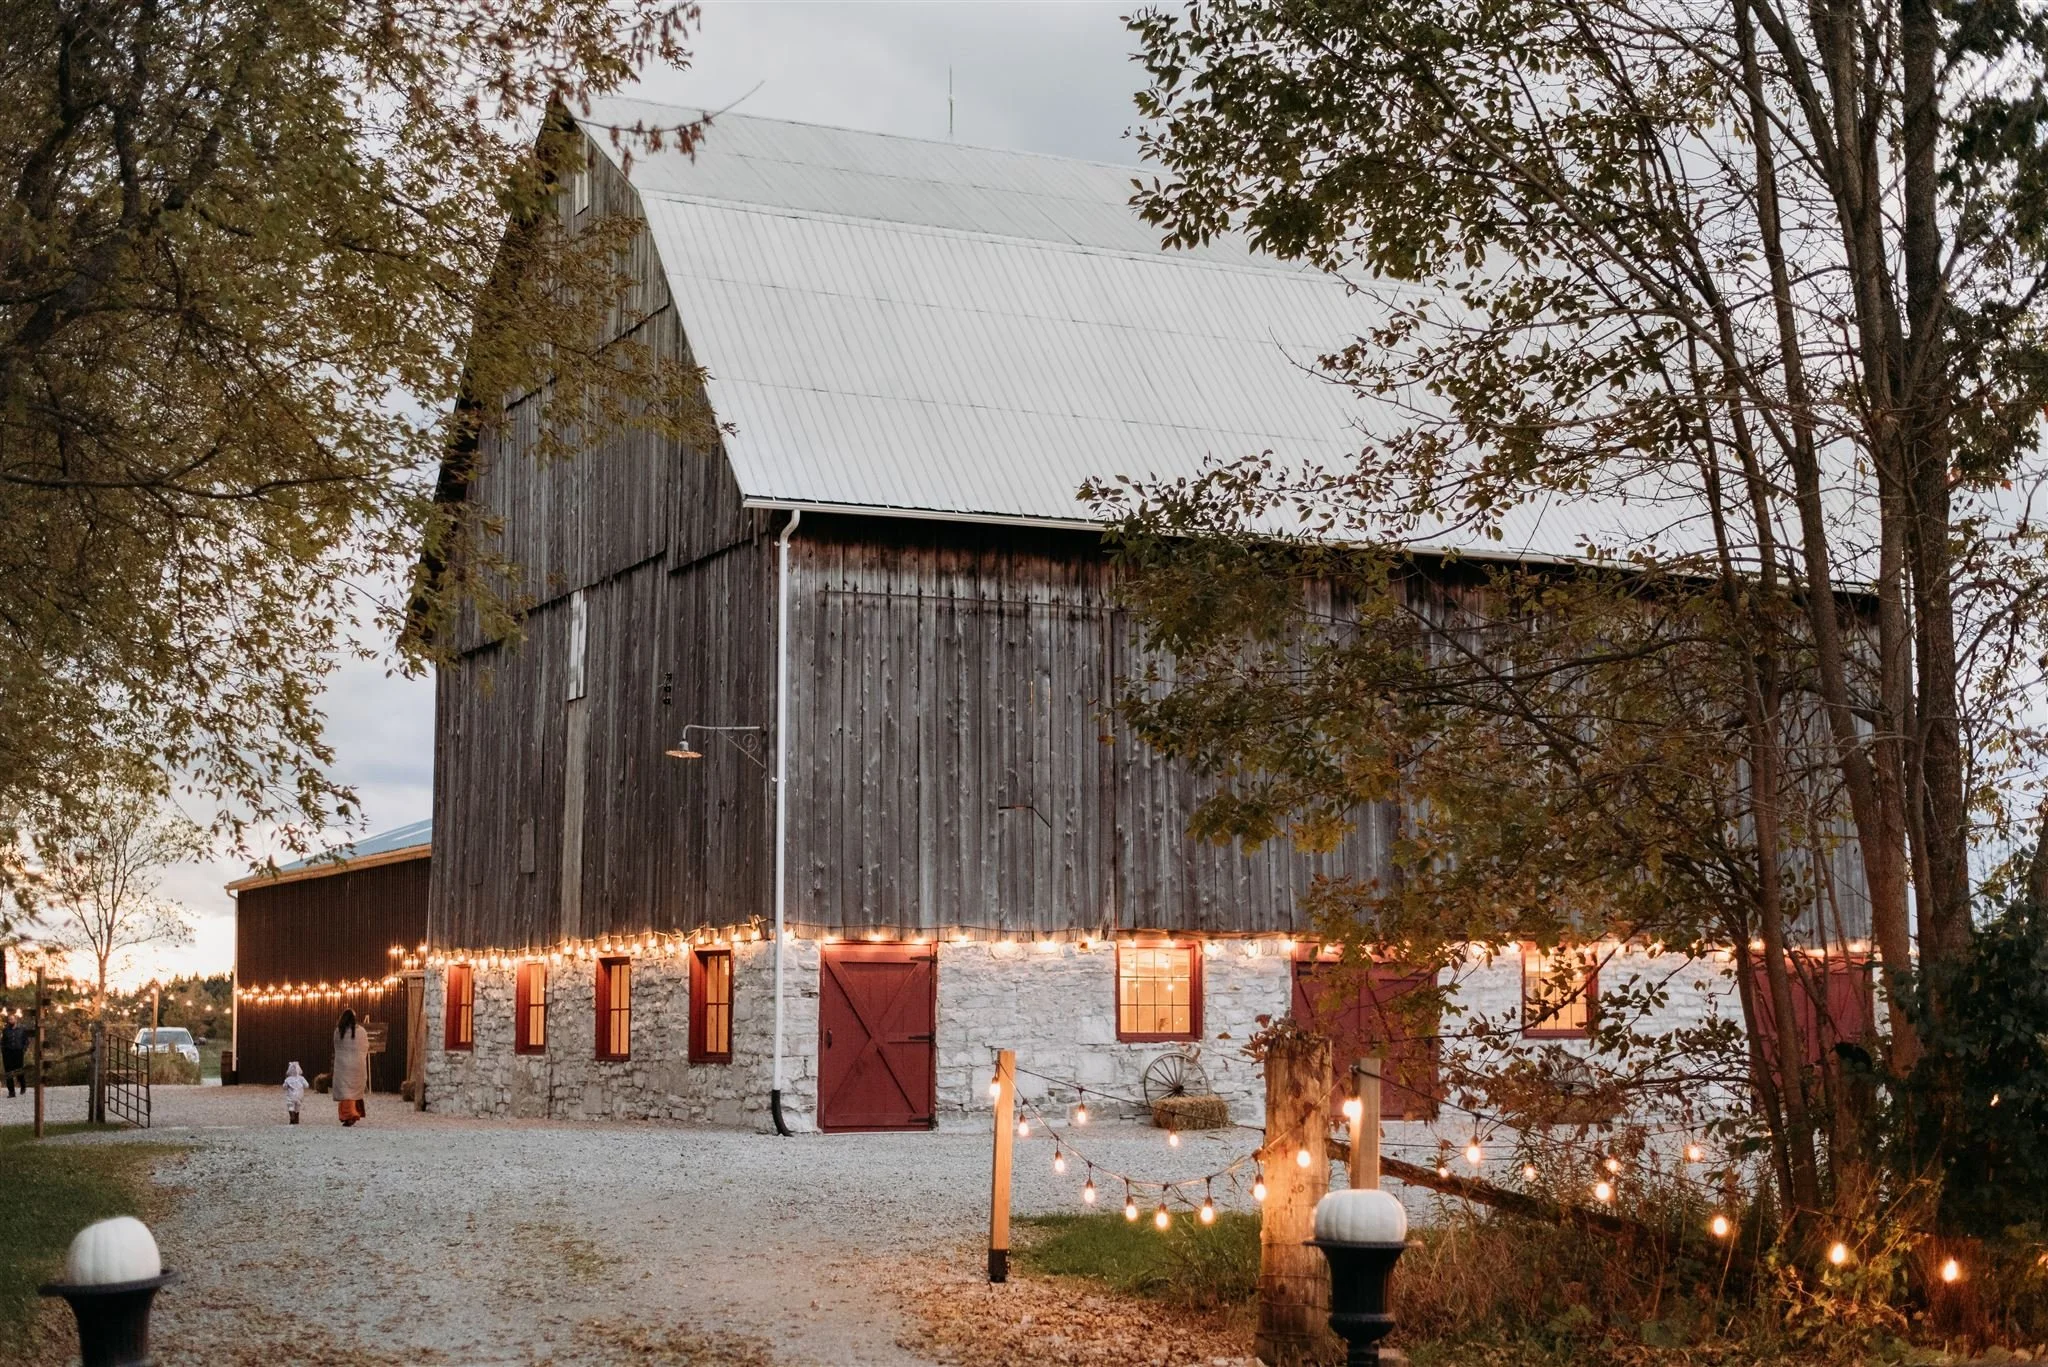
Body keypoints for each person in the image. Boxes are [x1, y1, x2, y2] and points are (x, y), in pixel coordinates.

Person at [331, 1009, 369, 1126]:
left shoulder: (338, 1031)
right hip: (357, 1066)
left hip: (343, 1066)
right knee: (353, 1090)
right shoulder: (361, 1031)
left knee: (345, 1091)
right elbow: (365, 1046)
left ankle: (349, 1115)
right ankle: (351, 1114)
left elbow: (336, 1046)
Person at [1, 1013, 27, 1098]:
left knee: (19, 1070)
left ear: (15, 1020)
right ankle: (11, 1092)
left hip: (18, 1052)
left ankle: (23, 1085)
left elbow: (26, 1041)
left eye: (12, 1019)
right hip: (7, 1053)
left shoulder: (22, 1030)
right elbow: (2, 1042)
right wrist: (3, 1051)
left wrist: (23, 1049)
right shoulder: (5, 1030)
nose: (10, 1021)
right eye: (9, 1019)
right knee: (8, 1072)